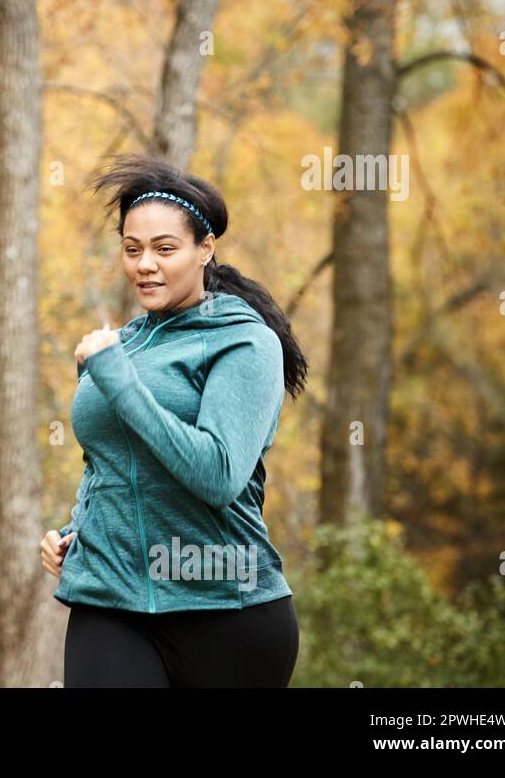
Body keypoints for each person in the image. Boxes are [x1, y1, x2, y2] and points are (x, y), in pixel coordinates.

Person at [40, 154, 310, 687]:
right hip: (110, 601)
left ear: (204, 248)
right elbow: (110, 464)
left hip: (227, 611)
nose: (146, 264)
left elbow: (216, 476)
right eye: (132, 249)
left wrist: (116, 375)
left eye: (165, 249)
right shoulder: (121, 347)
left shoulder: (245, 341)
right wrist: (77, 528)